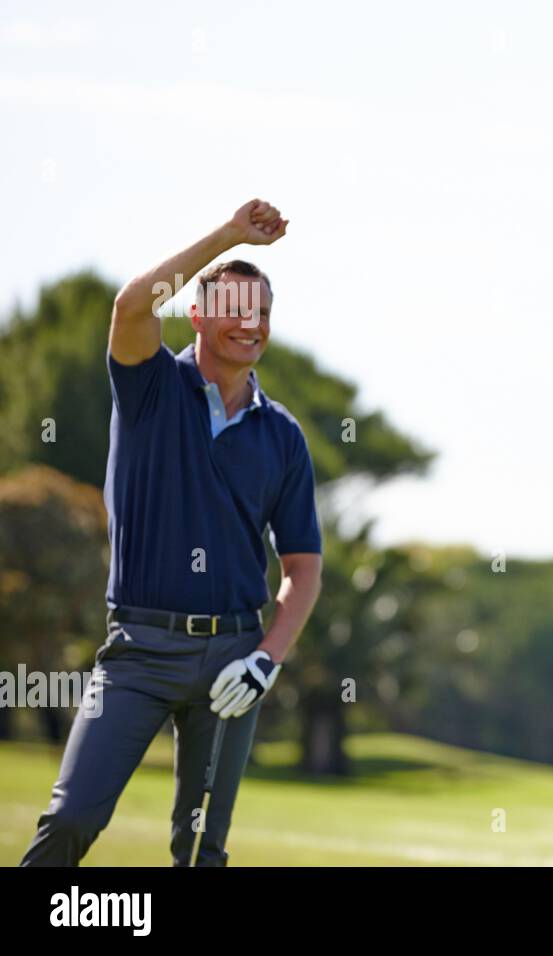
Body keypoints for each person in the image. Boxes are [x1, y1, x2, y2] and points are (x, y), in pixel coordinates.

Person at [21, 199, 324, 866]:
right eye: (235, 307)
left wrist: (265, 660)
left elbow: (302, 568)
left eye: (262, 312)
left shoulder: (283, 435)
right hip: (139, 653)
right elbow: (131, 307)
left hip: (234, 658)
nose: (250, 323)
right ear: (197, 315)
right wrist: (227, 237)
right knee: (70, 819)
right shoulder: (150, 387)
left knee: (200, 852)